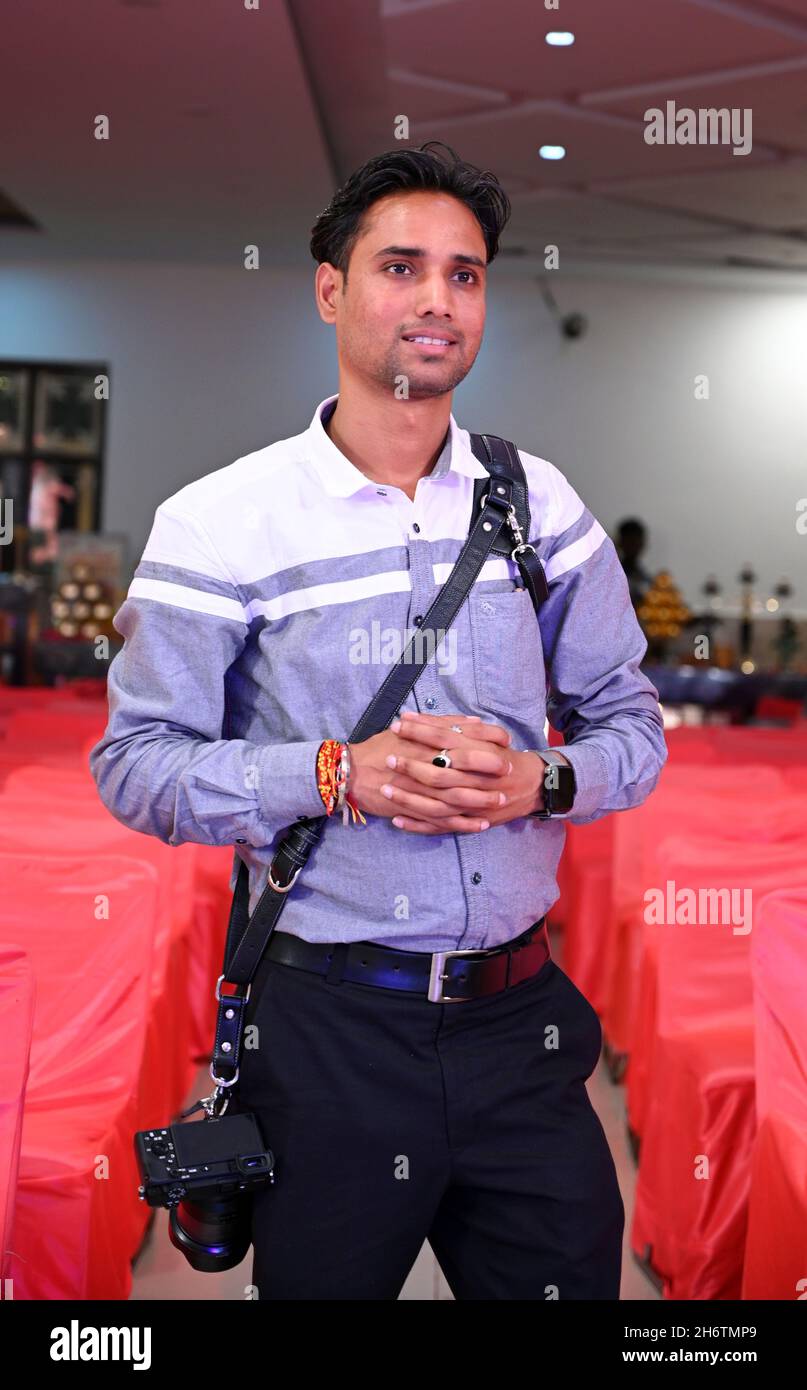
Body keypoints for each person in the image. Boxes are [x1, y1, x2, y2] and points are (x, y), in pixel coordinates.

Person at [89, 141, 668, 1301]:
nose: (437, 299)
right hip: (327, 1030)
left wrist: (541, 781)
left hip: (522, 1024)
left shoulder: (538, 504)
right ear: (330, 289)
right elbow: (136, 766)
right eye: (401, 266)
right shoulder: (219, 523)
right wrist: (332, 772)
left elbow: (632, 728)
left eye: (464, 273)